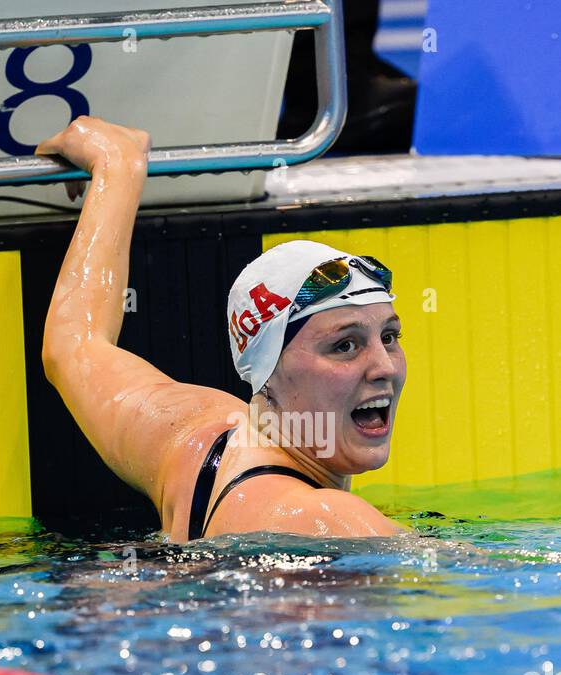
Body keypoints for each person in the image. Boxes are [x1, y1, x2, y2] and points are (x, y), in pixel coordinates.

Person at [36, 116, 410, 543]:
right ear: (268, 369)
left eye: (389, 337)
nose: (384, 367)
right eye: (345, 346)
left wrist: (117, 166)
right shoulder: (334, 522)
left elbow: (73, 347)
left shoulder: (193, 438)